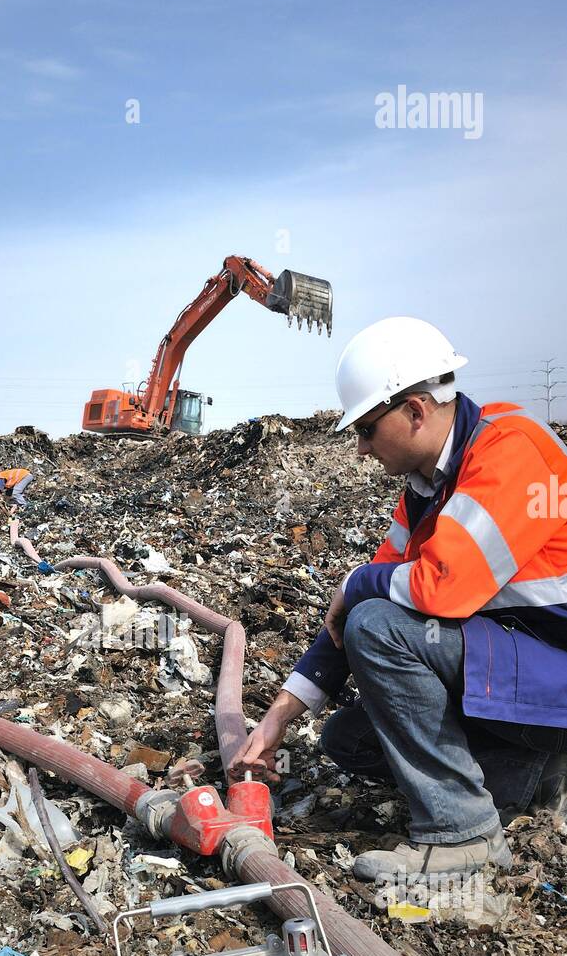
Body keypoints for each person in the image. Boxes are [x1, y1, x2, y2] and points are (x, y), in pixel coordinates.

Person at [230, 316, 567, 881]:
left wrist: (354, 584)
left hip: (551, 671)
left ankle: (464, 837)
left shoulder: (512, 449)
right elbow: (360, 604)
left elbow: (440, 587)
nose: (361, 449)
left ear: (414, 410)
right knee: (349, 738)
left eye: (366, 429)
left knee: (379, 627)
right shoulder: (429, 488)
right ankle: (532, 775)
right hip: (520, 673)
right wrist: (278, 720)